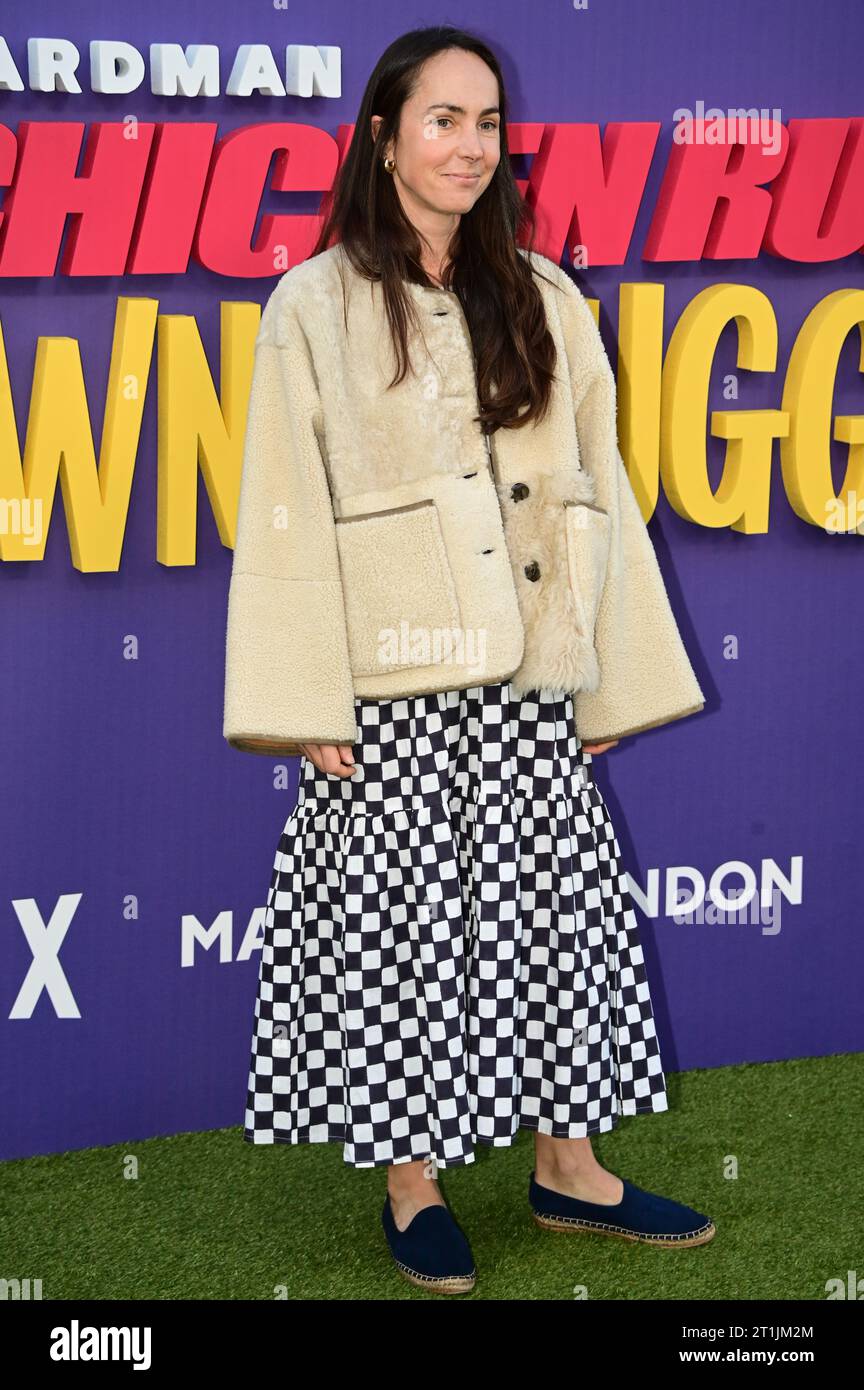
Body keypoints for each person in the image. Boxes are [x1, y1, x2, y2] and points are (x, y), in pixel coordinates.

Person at [223, 25, 715, 1296]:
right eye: (441, 119)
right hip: (390, 689)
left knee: (555, 925)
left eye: (487, 122)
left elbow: (598, 492)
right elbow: (281, 506)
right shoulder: (314, 304)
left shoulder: (546, 298)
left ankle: (571, 1167)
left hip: (524, 689)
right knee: (400, 940)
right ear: (383, 137)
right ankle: (413, 1186)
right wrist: (299, 699)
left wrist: (605, 673)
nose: (468, 145)